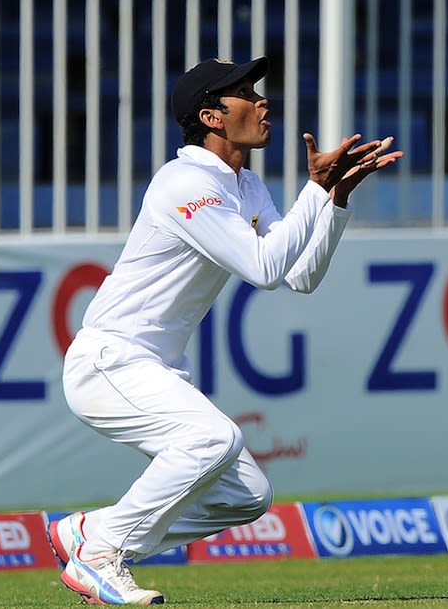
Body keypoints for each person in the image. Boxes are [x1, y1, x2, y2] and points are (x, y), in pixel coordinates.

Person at [48, 57, 403, 605]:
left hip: (150, 368)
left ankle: (93, 532)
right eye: (244, 93)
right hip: (109, 362)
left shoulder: (245, 183)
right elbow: (263, 269)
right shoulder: (184, 182)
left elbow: (299, 276)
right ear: (212, 117)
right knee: (213, 439)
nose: (262, 101)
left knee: (249, 496)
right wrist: (313, 188)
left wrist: (334, 202)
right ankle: (102, 553)